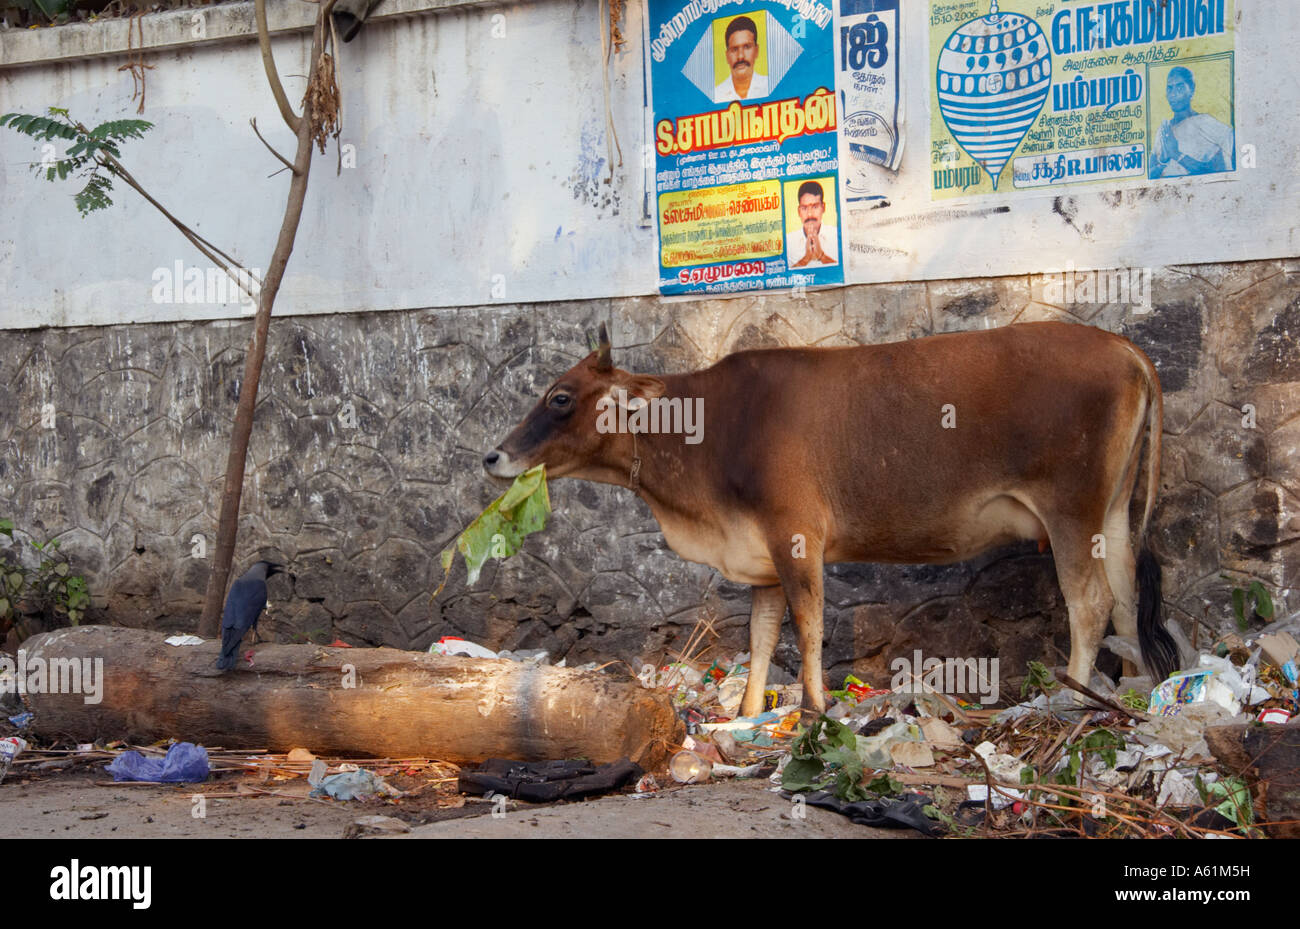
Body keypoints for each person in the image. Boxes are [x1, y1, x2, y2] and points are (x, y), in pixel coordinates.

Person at [1149, 66, 1234, 178]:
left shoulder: (1205, 122)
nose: (1173, 94)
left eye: (1180, 87)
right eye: (1170, 88)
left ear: (1192, 90)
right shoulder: (1163, 130)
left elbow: (1222, 173)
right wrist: (1163, 161)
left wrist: (1176, 154)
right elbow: (1149, 176)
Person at [714, 16, 769, 103]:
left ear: (756, 50)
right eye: (734, 49)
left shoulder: (769, 86)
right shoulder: (716, 95)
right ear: (727, 56)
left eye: (747, 47)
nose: (740, 56)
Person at [789, 180, 837, 268]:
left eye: (815, 207)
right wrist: (806, 259)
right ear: (799, 211)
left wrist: (822, 256)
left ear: (823, 207)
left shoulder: (837, 236)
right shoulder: (789, 242)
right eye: (804, 208)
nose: (810, 214)